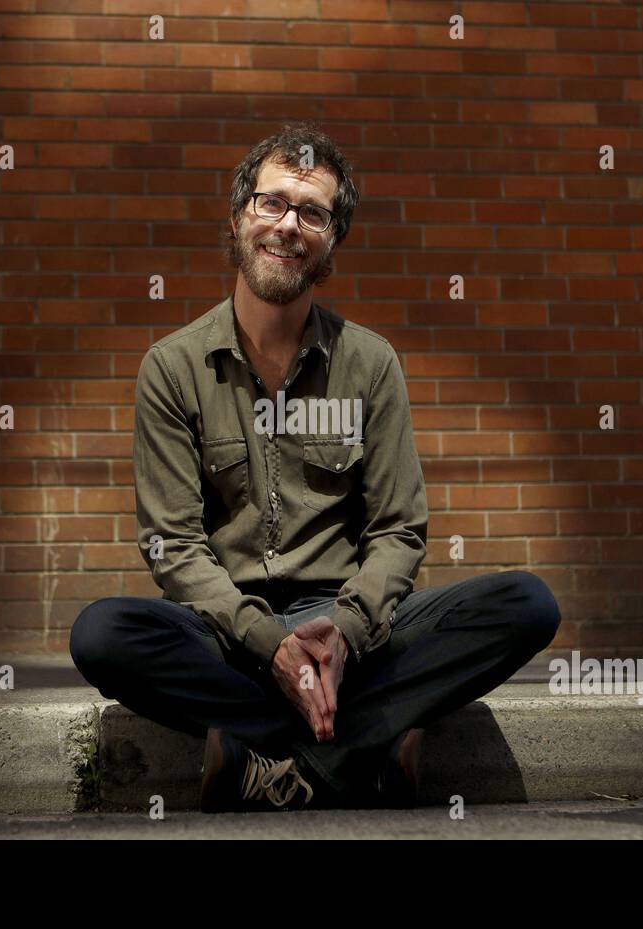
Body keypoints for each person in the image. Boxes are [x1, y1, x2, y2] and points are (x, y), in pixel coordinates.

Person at [70, 121, 562, 812]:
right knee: (102, 634)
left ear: (333, 239)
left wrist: (345, 636)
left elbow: (398, 531)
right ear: (241, 217)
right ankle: (366, 747)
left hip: (349, 629)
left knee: (526, 604)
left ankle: (255, 755)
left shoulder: (370, 362)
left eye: (312, 212)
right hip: (228, 633)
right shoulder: (173, 368)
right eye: (272, 203)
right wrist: (273, 645)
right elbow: (175, 548)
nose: (288, 225)